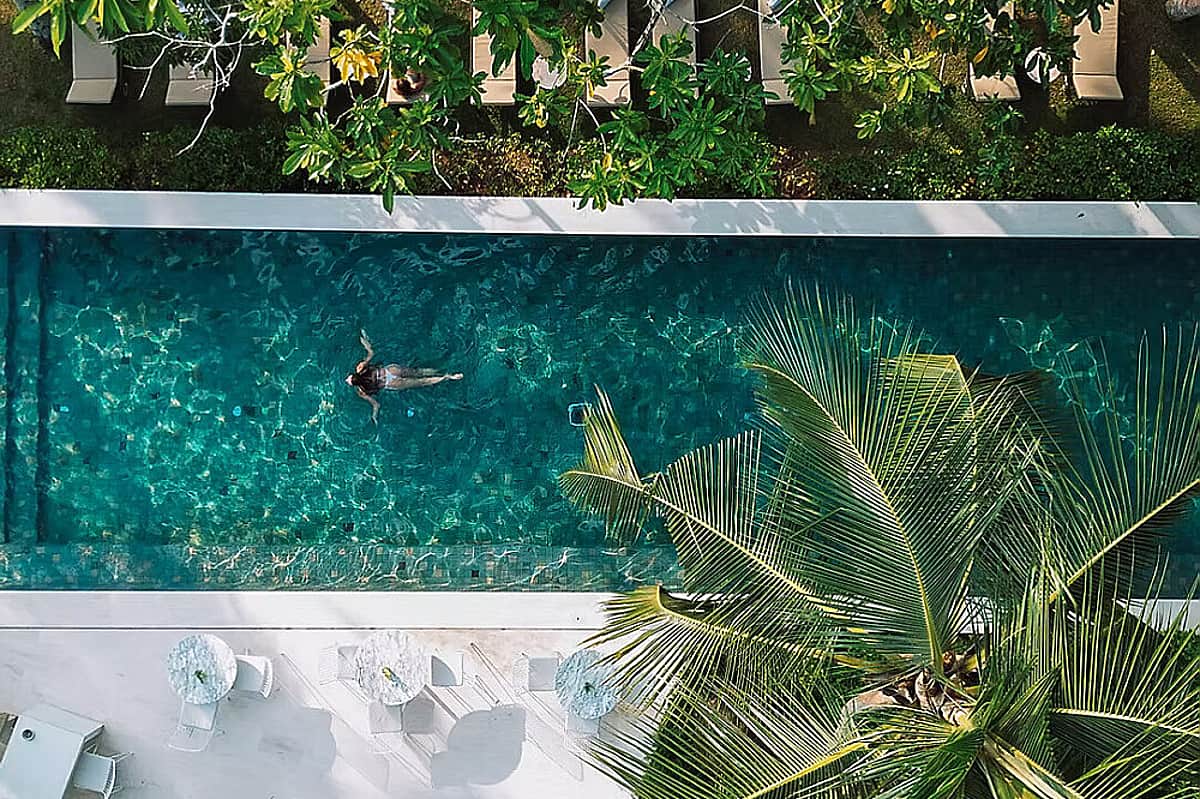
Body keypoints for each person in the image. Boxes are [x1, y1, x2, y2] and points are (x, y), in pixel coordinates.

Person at [346, 330, 462, 423]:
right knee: (418, 372)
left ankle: (448, 377)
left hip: (391, 383)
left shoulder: (362, 391)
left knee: (422, 382)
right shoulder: (361, 368)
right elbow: (371, 353)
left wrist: (374, 417)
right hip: (391, 371)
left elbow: (376, 404)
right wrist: (364, 341)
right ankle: (440, 370)